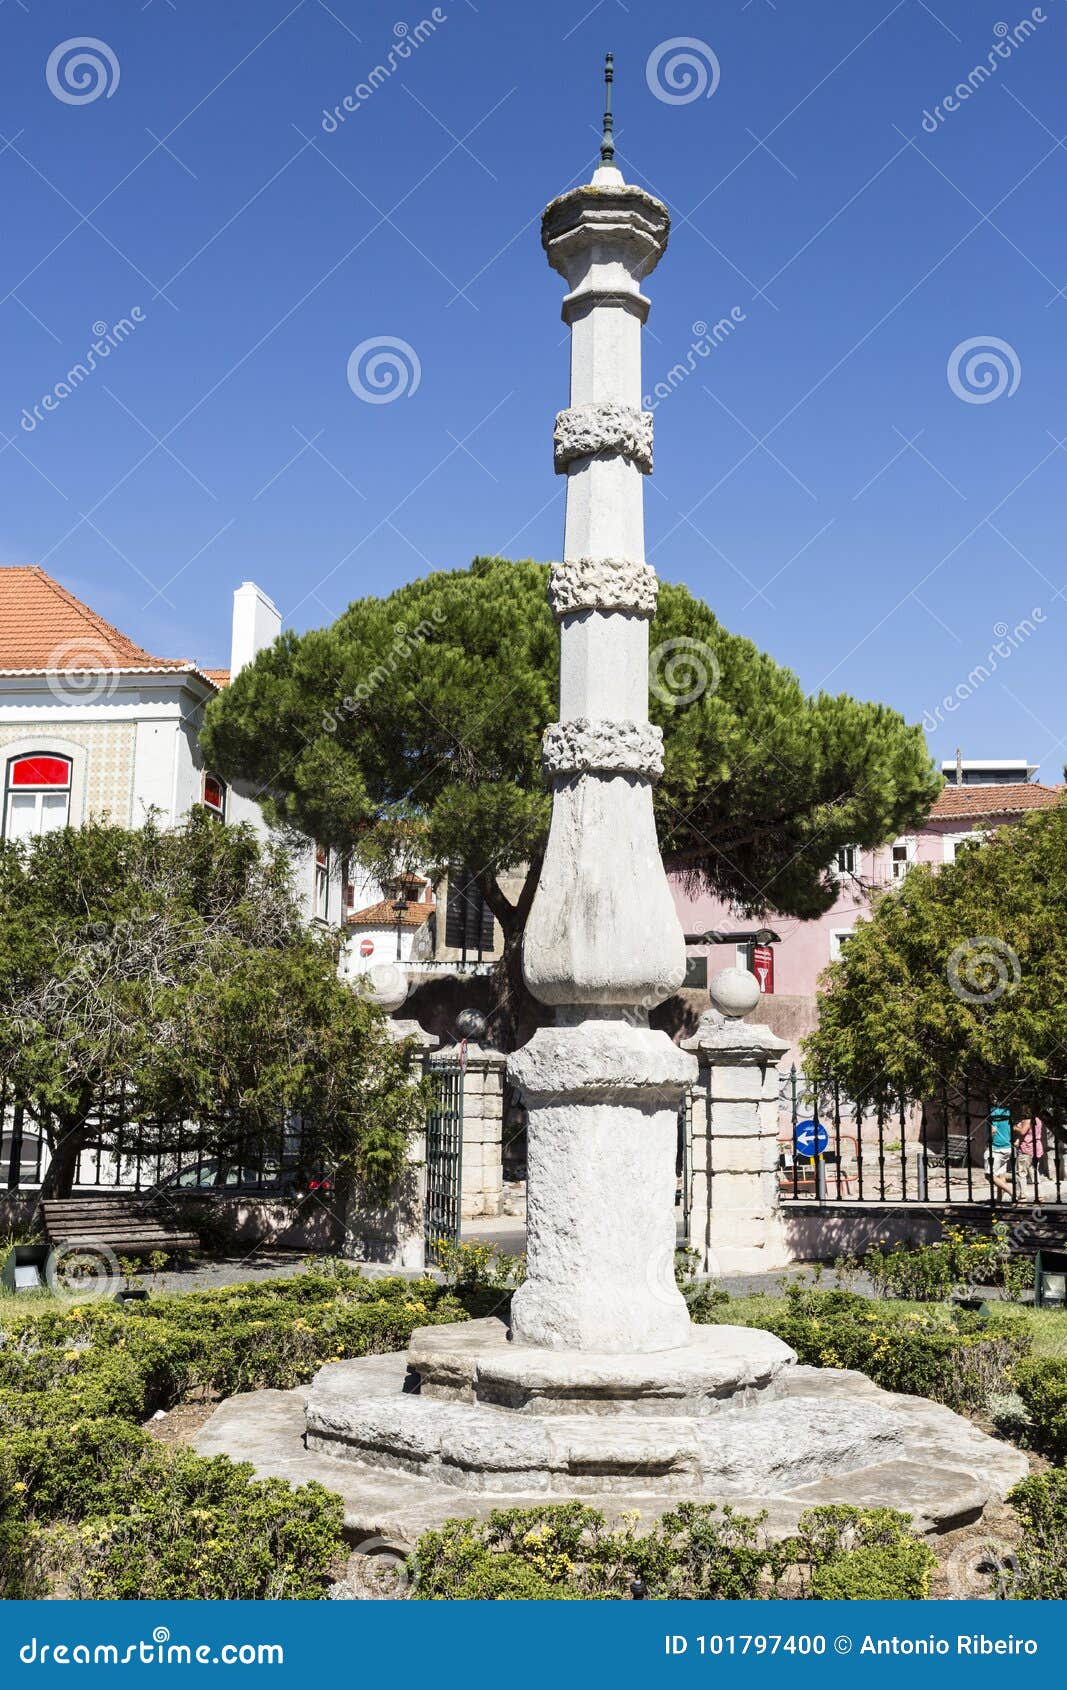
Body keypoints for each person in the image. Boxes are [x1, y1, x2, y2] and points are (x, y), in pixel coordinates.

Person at [986, 1104, 1015, 1202]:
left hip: (996, 1147)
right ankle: (999, 1199)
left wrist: (988, 1142)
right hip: (1007, 1146)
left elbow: (993, 1130)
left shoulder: (994, 1111)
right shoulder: (1007, 1111)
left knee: (989, 1175)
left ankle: (1012, 1193)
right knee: (1001, 1175)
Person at [1015, 1114, 1045, 1204]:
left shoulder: (1028, 1119)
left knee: (1021, 1173)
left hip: (1027, 1148)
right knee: (1034, 1172)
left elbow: (1022, 1132)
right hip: (1036, 1148)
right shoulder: (1038, 1119)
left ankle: (1023, 1197)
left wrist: (1014, 1127)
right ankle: (1040, 1196)